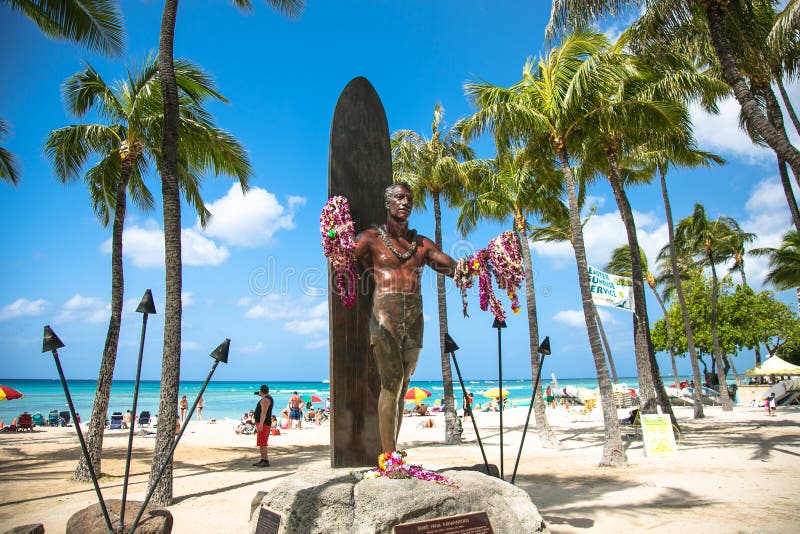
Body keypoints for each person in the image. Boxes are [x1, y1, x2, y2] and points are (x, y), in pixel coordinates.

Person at [354, 181, 456, 453]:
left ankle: (393, 452)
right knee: (392, 382)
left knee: (404, 385)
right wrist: (333, 227)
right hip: (384, 316)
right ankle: (388, 458)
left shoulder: (420, 244)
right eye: (399, 197)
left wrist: (478, 265)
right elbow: (339, 254)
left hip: (414, 318)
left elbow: (449, 266)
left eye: (409, 199)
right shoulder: (371, 238)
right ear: (387, 202)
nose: (405, 203)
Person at [253, 384, 274, 467]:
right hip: (263, 423)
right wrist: (258, 393)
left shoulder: (265, 400)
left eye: (260, 391)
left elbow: (263, 412)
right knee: (261, 442)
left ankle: (265, 461)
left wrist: (261, 424)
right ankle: (262, 459)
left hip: (264, 423)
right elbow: (261, 394)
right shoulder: (267, 397)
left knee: (263, 443)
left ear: (261, 391)